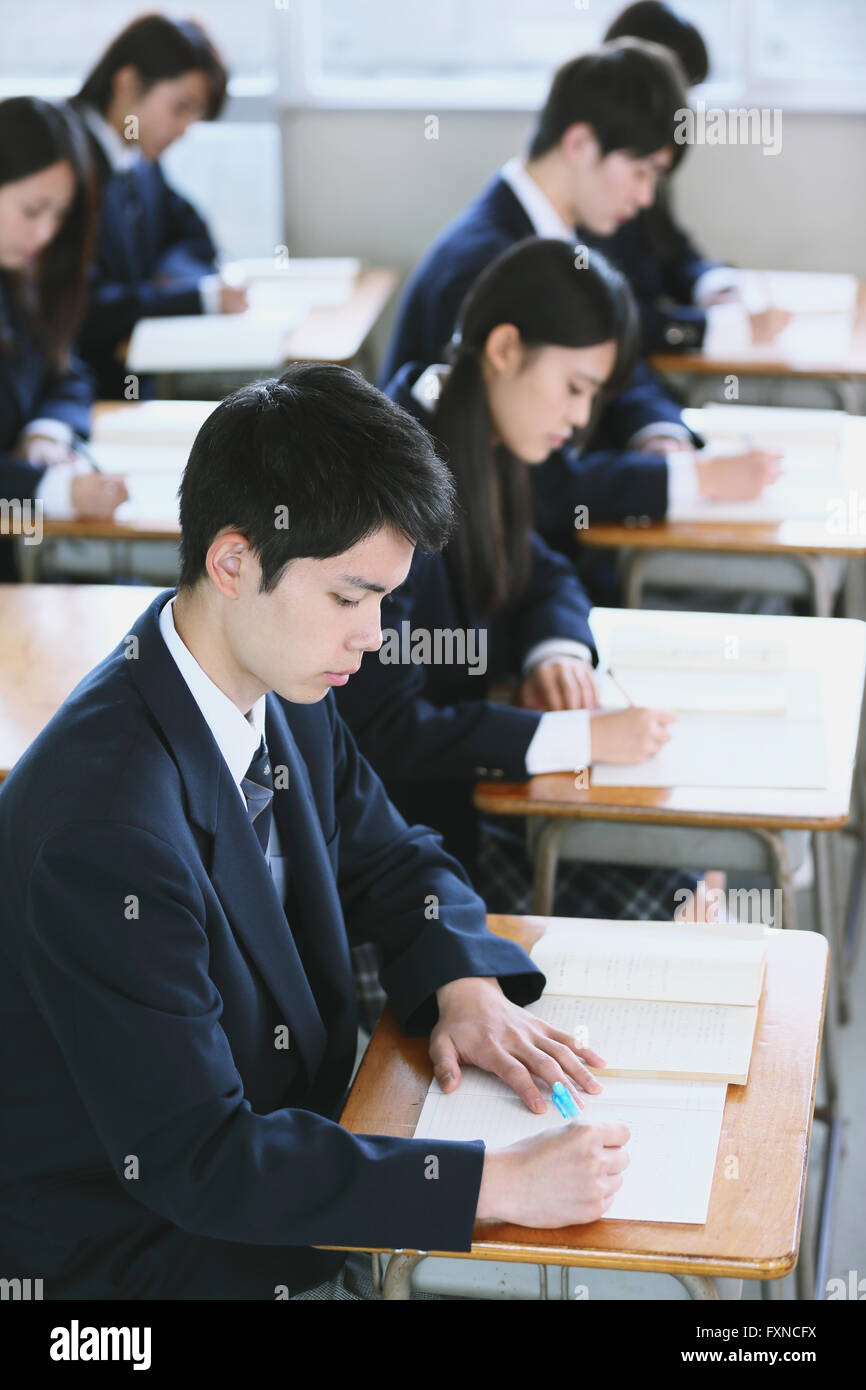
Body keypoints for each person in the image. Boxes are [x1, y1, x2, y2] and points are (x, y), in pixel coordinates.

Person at [0, 361, 630, 1301]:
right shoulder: (106, 829)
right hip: (135, 1258)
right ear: (233, 562)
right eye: (349, 597)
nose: (374, 635)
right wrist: (493, 1185)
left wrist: (463, 983)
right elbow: (201, 1159)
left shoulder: (274, 679)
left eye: (383, 599)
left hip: (290, 1145)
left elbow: (391, 856)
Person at [339, 240, 702, 1024]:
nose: (579, 420)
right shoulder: (393, 486)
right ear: (505, 349)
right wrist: (579, 738)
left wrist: (556, 650)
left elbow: (544, 573)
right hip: (398, 862)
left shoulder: (476, 438)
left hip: (457, 814)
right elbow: (386, 731)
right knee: (689, 911)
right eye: (574, 388)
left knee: (698, 895)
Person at [378, 39, 779, 558]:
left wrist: (657, 435)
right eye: (641, 172)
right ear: (581, 145)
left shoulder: (565, 237)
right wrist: (690, 479)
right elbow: (531, 486)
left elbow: (621, 369)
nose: (643, 197)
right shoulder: (485, 265)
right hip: (481, 567)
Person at [585, 2, 789, 353]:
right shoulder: (596, 172)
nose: (684, 105)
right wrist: (714, 328)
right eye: (681, 88)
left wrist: (713, 286)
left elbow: (669, 249)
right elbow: (608, 316)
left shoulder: (641, 162)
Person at [71, 14, 247, 399]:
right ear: (128, 83)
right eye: (180, 108)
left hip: (131, 383)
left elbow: (192, 234)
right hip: (84, 394)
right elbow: (83, 310)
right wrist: (201, 296)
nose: (185, 128)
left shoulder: (137, 158)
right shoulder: (62, 163)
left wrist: (164, 278)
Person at [0, 97, 127, 580]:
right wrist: (54, 488)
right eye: (33, 210)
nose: (46, 232)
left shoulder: (18, 274)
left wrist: (44, 432)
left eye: (59, 214)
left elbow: (68, 371)